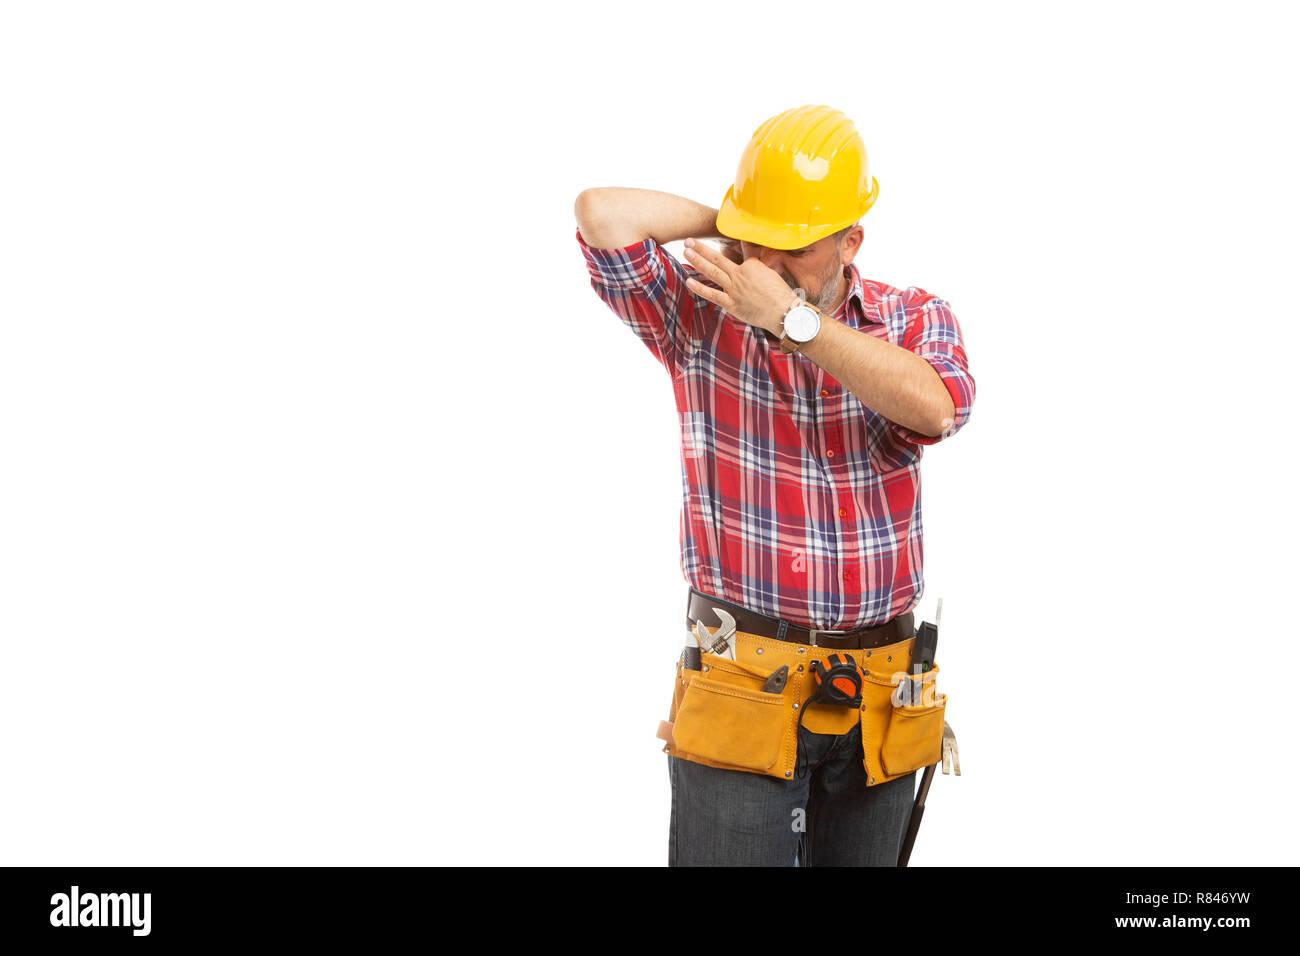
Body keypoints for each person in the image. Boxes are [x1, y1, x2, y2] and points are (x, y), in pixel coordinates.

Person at [573, 104, 975, 866]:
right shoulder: (700, 314)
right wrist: (733, 223)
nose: (770, 262)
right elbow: (601, 215)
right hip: (740, 684)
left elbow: (936, 406)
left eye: (797, 245)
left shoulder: (911, 317)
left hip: (881, 695)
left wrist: (798, 323)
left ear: (852, 239)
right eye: (759, 241)